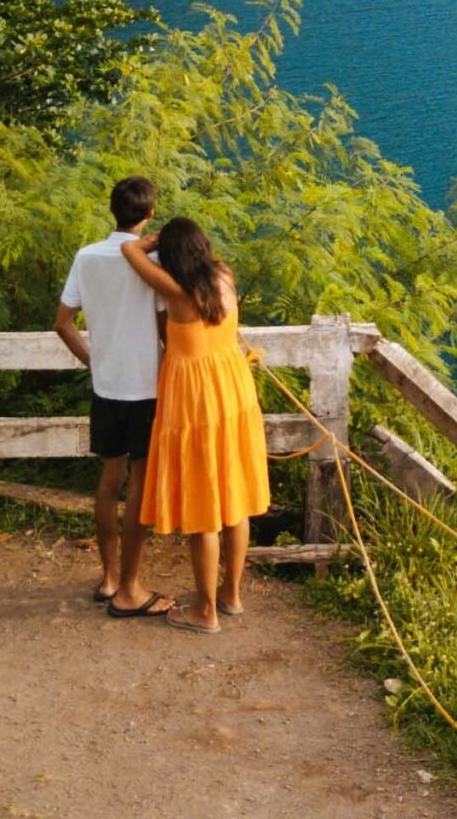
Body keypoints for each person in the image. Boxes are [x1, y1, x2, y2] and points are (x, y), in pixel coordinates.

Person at [120, 218, 270, 634]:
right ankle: (230, 595)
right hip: (233, 392)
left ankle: (205, 613)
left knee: (203, 507)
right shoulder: (224, 275)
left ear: (170, 255)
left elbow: (128, 251)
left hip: (195, 400)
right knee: (233, 499)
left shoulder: (175, 289)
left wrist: (147, 241)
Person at [53, 176, 174, 619]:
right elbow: (166, 330)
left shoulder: (86, 257)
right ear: (150, 214)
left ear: (112, 209)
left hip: (106, 386)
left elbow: (63, 323)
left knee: (109, 480)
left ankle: (108, 577)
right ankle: (131, 585)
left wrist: (93, 361)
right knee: (138, 485)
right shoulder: (152, 261)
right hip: (147, 386)